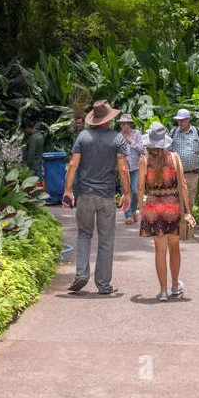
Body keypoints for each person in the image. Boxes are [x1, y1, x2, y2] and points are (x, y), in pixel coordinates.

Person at [62, 100, 131, 295]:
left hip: (85, 194)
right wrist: (127, 194)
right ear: (109, 119)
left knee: (84, 234)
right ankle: (103, 284)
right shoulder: (117, 139)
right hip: (106, 196)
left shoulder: (83, 137)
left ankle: (81, 275)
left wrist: (68, 190)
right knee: (106, 239)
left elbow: (73, 165)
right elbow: (124, 169)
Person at [139, 121, 193, 301]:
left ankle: (162, 291)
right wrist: (188, 211)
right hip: (173, 208)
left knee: (160, 251)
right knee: (174, 248)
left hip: (153, 208)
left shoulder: (144, 160)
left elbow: (140, 189)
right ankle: (175, 285)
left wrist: (141, 209)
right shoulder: (175, 158)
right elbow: (183, 185)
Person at [170, 108, 199, 241]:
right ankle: (176, 227)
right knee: (176, 200)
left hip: (192, 174)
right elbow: (167, 151)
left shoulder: (198, 132)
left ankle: (187, 228)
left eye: (182, 120)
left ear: (188, 120)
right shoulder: (173, 132)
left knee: (190, 201)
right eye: (178, 120)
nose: (179, 123)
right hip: (176, 174)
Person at [118, 112, 146, 225]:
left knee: (135, 191)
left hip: (135, 167)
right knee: (126, 192)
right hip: (123, 168)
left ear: (130, 124)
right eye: (121, 124)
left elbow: (143, 150)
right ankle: (128, 215)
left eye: (125, 124)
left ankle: (133, 209)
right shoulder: (119, 136)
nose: (123, 126)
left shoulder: (137, 134)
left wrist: (131, 141)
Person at [20, 109, 47, 183]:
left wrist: (27, 167)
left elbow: (31, 154)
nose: (25, 133)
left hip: (34, 166)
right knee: (40, 182)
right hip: (39, 163)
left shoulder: (33, 138)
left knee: (34, 184)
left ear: (28, 128)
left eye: (25, 130)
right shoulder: (40, 135)